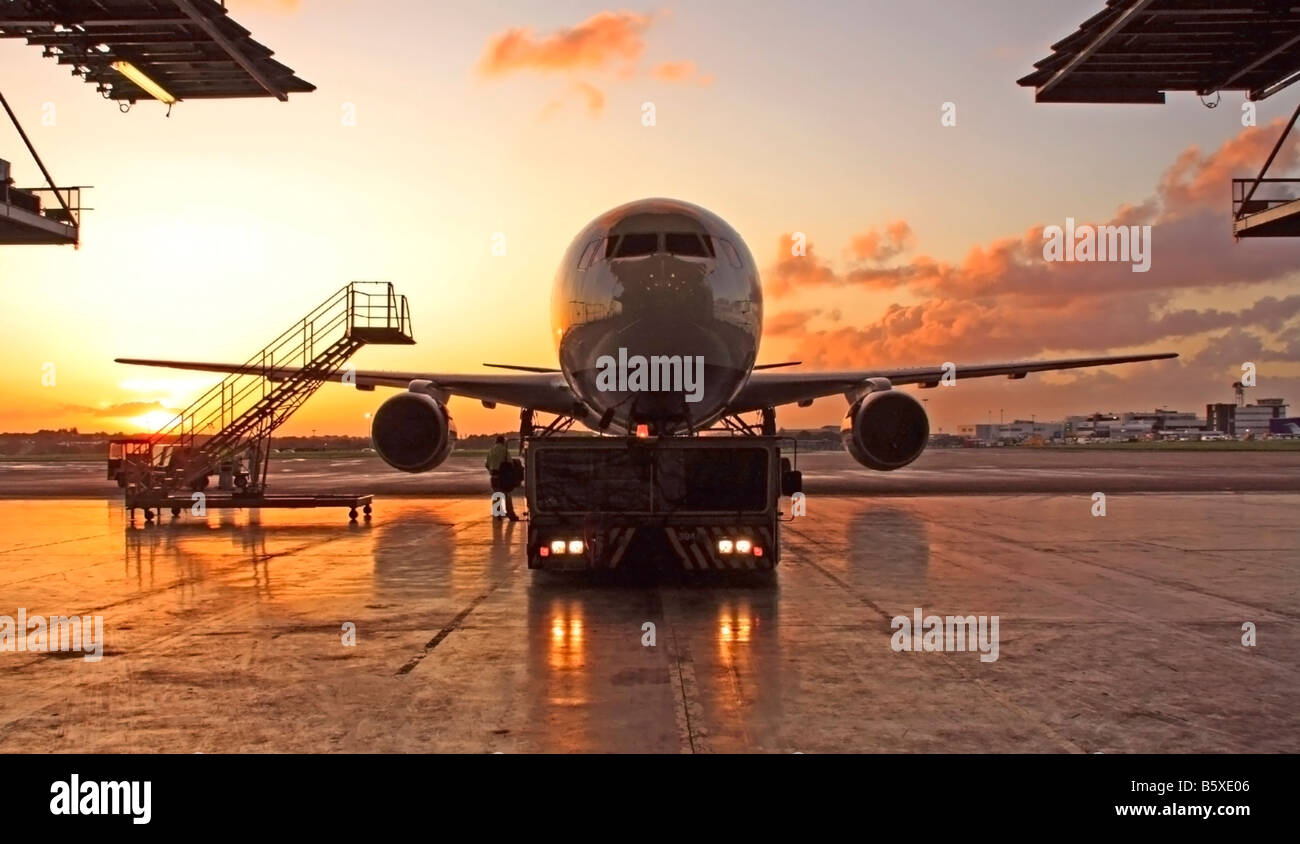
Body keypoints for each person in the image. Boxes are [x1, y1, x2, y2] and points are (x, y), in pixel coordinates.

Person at [485, 436, 519, 520]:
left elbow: (487, 464)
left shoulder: (491, 450)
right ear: (503, 441)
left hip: (494, 476)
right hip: (503, 476)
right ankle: (511, 514)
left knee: (497, 495)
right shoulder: (504, 450)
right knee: (507, 495)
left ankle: (498, 514)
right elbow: (510, 463)